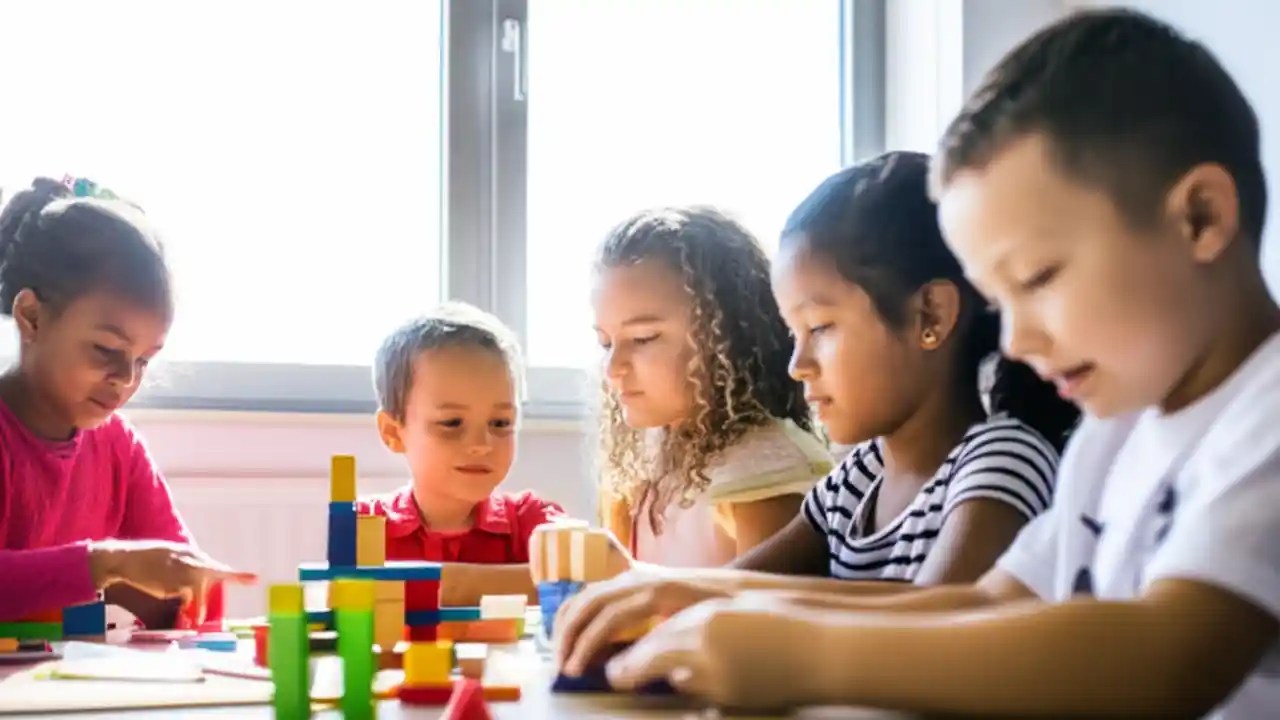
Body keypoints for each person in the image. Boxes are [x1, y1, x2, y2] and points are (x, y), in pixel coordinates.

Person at [598, 10, 1280, 717]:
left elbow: (1169, 654)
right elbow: (986, 604)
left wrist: (810, 655)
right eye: (1001, 299)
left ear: (1199, 218)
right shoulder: (1116, 435)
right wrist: (715, 594)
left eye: (1040, 278)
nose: (1013, 342)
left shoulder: (1267, 414)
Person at [0, 177, 253, 625]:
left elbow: (189, 586)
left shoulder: (119, 447)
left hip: (58, 690)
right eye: (105, 349)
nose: (125, 379)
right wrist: (106, 567)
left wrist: (174, 592)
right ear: (32, 317)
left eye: (144, 360)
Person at [592, 206, 832, 567]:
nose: (613, 368)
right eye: (606, 343)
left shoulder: (765, 465)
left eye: (643, 338)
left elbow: (763, 616)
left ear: (726, 338)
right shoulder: (646, 461)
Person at [358, 303, 565, 604]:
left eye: (500, 423)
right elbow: (347, 598)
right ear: (393, 432)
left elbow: (585, 581)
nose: (482, 444)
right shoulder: (366, 525)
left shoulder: (531, 521)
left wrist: (450, 585)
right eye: (452, 423)